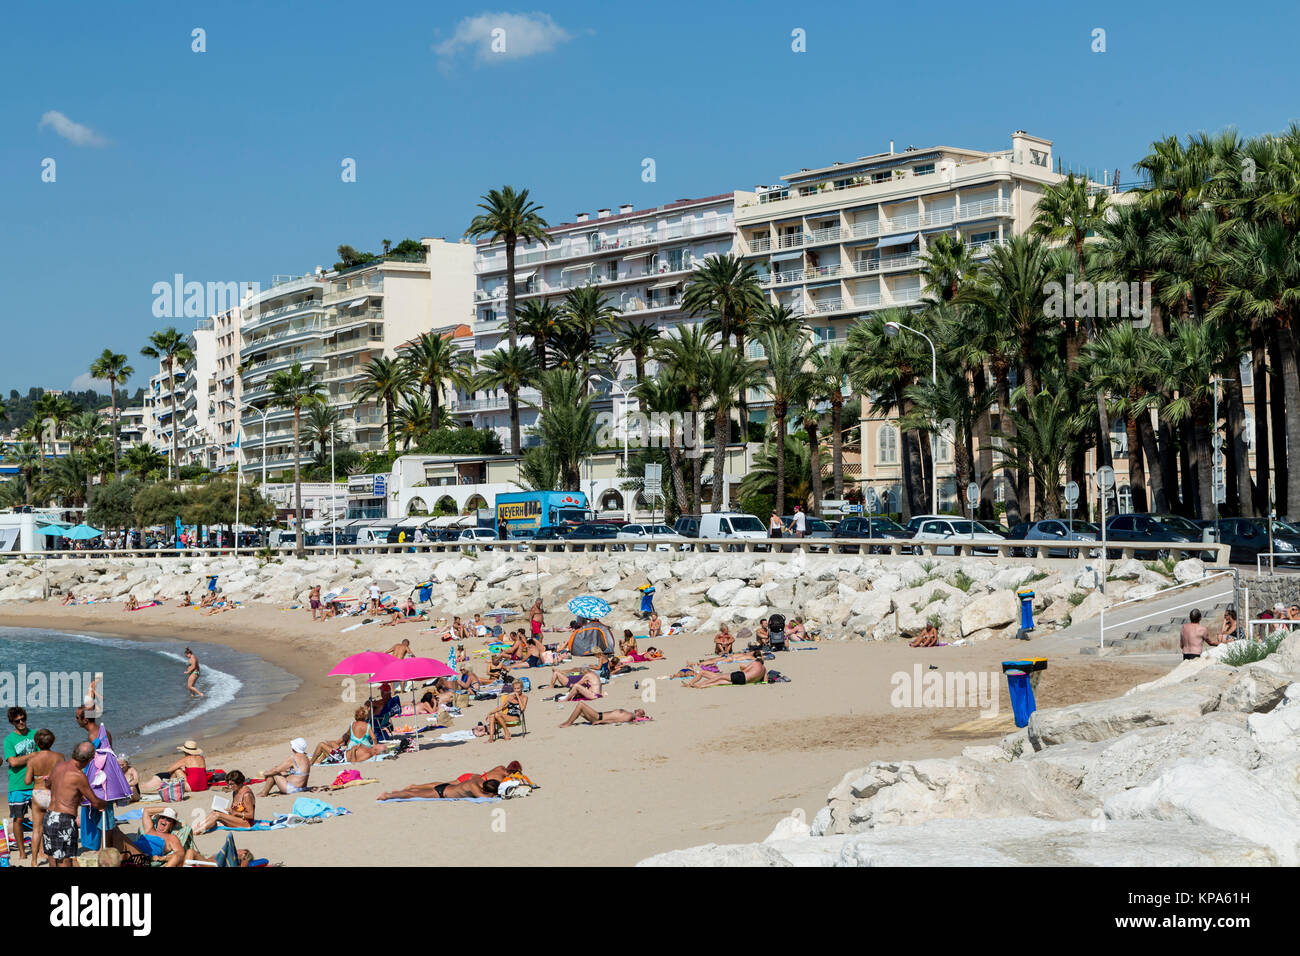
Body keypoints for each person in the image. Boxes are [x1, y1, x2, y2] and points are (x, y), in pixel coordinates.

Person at [45, 742, 106, 867]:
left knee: (52, 856)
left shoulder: (59, 766)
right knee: (65, 860)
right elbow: (95, 802)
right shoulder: (79, 775)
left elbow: (48, 784)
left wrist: (73, 796)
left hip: (49, 816)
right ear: (90, 759)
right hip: (64, 820)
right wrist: (104, 803)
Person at [23, 729, 62, 867]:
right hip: (53, 794)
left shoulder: (32, 759)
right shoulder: (59, 757)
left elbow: (27, 781)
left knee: (37, 829)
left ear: (36, 742)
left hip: (38, 794)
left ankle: (34, 861)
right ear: (52, 741)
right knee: (56, 827)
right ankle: (58, 856)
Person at [5, 707, 37, 862]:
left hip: (36, 783)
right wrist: (31, 756)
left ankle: (40, 848)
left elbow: (43, 755)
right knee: (18, 819)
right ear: (12, 722)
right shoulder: (9, 740)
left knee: (40, 818)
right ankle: (22, 852)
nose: (21, 722)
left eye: (23, 719)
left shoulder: (34, 734)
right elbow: (13, 761)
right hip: (17, 785)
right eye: (17, 720)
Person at [139, 740, 208, 794]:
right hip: (204, 786)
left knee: (177, 770)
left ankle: (169, 786)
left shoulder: (186, 759)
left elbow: (169, 770)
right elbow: (197, 772)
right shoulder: (201, 758)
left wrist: (180, 768)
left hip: (192, 788)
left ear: (185, 751)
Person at [686, 649, 766, 687]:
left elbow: (745, 670)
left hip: (741, 676)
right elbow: (765, 681)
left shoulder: (755, 662)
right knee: (719, 681)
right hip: (743, 681)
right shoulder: (764, 669)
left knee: (720, 677)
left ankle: (699, 684)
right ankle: (698, 685)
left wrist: (743, 669)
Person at [377, 777, 500, 801]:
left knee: (416, 792)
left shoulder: (478, 779)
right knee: (412, 795)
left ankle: (397, 793)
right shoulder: (474, 788)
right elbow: (483, 797)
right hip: (442, 793)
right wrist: (494, 795)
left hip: (447, 786)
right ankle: (387, 795)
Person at [560, 703, 649, 727]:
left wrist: (601, 721)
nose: (638, 709)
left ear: (639, 715)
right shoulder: (629, 714)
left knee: (581, 705)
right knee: (580, 710)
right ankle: (569, 722)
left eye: (640, 711)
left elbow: (615, 721)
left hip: (598, 717)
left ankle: (569, 722)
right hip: (598, 715)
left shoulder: (629, 716)